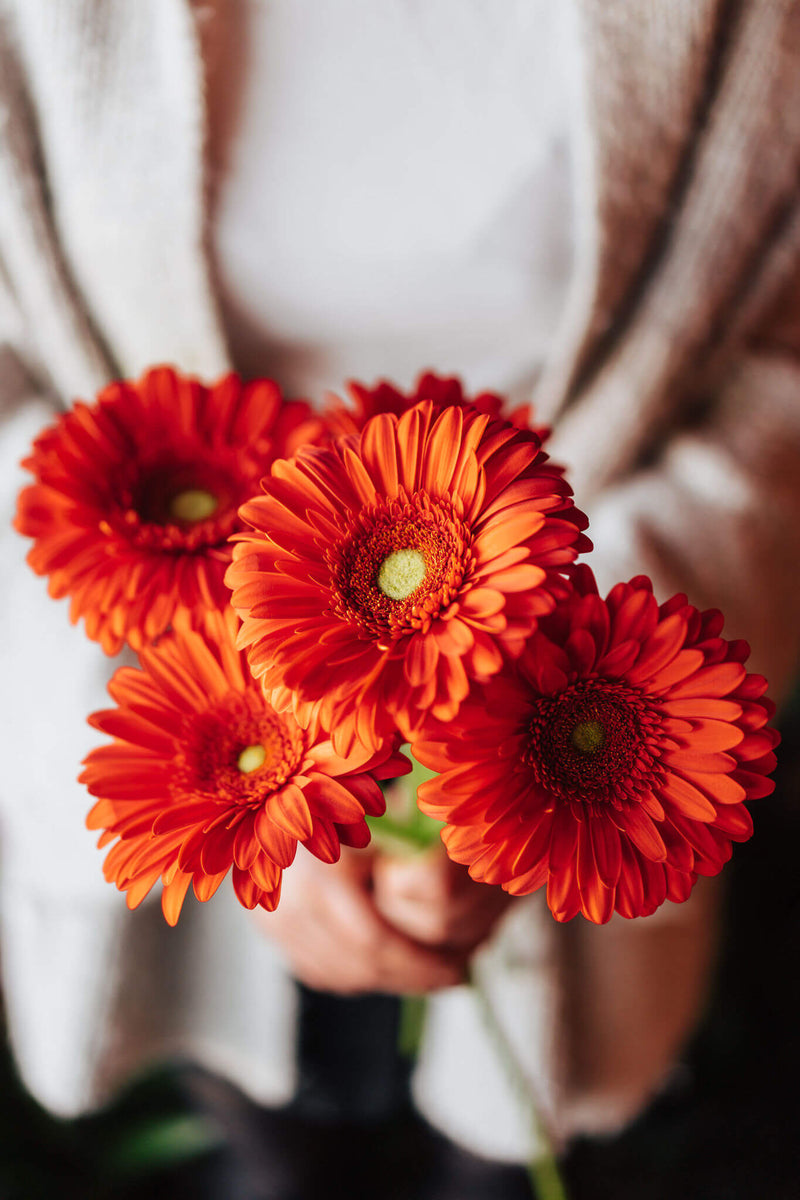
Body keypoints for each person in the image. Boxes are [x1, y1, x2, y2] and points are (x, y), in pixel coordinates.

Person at [1, 1, 799, 1195]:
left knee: (507, 1139)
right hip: (185, 701)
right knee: (269, 1135)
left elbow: (777, 362)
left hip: (591, 670)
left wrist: (516, 759)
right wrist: (263, 761)